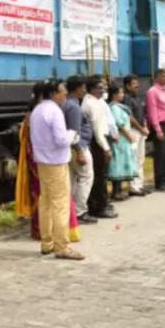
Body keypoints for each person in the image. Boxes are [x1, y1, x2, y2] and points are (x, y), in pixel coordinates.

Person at [15, 83, 81, 244]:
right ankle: (62, 245)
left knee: (45, 202)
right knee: (60, 204)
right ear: (53, 93)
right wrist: (73, 134)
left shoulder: (37, 110)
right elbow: (61, 140)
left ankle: (47, 242)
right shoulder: (54, 111)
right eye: (63, 92)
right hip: (56, 163)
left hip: (42, 162)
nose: (66, 95)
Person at [62, 76, 97, 224]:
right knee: (86, 177)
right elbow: (74, 132)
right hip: (78, 147)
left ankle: (70, 211)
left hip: (69, 149)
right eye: (83, 88)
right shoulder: (74, 107)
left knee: (72, 180)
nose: (84, 90)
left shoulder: (65, 104)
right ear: (77, 89)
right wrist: (80, 152)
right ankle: (80, 211)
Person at [83, 76, 118, 218]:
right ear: (93, 89)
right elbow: (97, 130)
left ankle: (98, 205)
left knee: (98, 175)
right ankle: (100, 207)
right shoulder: (92, 104)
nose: (103, 89)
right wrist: (106, 148)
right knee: (100, 176)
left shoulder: (94, 102)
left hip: (97, 141)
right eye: (100, 87)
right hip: (98, 143)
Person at [107, 84, 139, 199]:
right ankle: (116, 192)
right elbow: (119, 124)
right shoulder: (114, 108)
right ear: (114, 95)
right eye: (120, 93)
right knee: (117, 164)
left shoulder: (120, 107)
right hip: (119, 139)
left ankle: (119, 190)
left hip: (123, 140)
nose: (122, 95)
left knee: (122, 163)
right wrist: (129, 135)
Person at [147, 69, 165, 191]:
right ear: (157, 77)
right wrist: (157, 130)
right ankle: (160, 181)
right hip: (160, 125)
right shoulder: (152, 92)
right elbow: (152, 112)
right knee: (160, 154)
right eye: (164, 76)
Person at [122, 76, 150, 196]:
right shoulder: (126, 98)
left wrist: (145, 127)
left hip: (141, 131)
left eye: (137, 83)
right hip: (133, 131)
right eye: (134, 84)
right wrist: (141, 128)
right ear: (127, 86)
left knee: (140, 159)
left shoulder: (137, 97)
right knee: (134, 159)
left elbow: (142, 114)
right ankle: (134, 187)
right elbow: (130, 117)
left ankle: (140, 185)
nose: (137, 85)